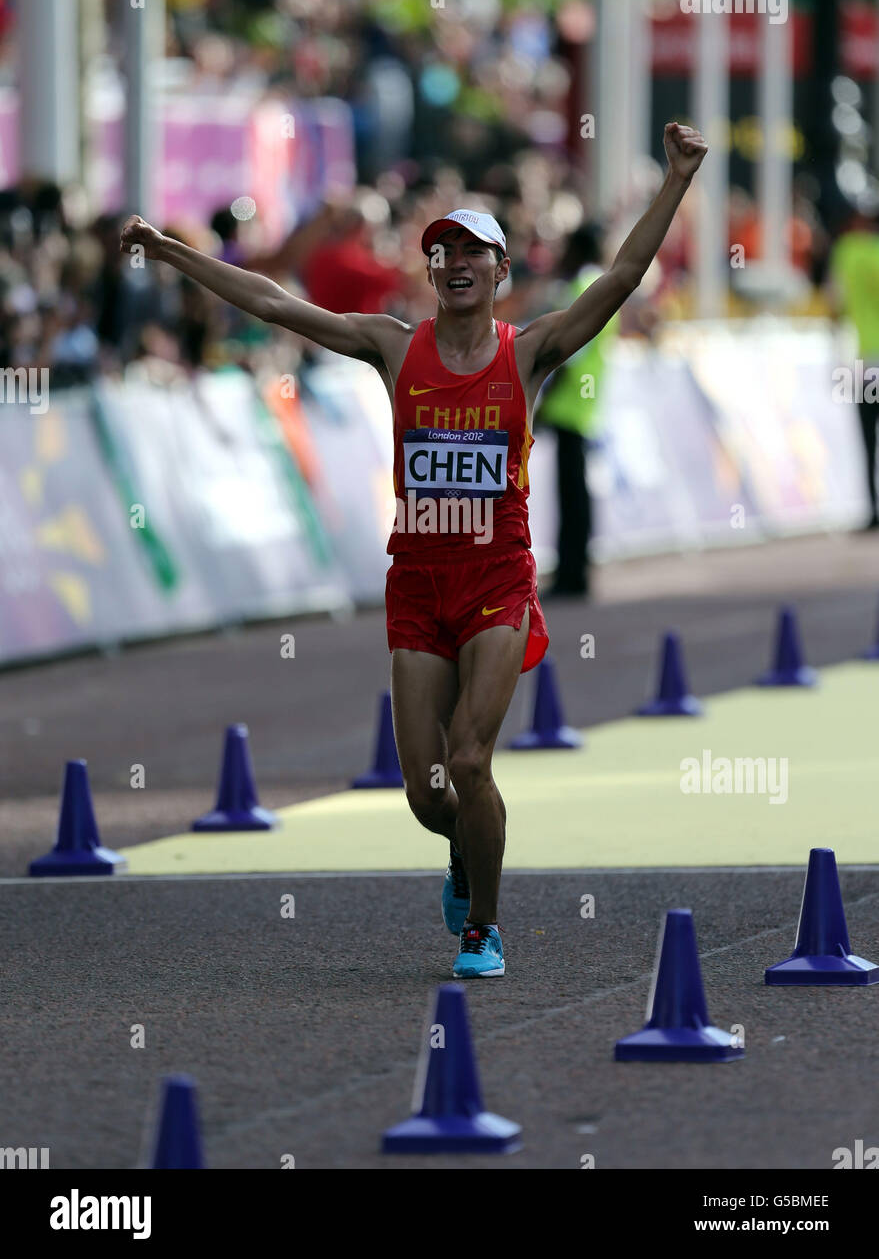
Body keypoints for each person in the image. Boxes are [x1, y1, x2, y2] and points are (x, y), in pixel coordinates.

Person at [120, 121, 707, 978]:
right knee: (429, 792)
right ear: (430, 271)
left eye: (474, 252)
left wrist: (677, 178)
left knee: (472, 759)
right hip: (416, 585)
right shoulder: (394, 348)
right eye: (443, 252)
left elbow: (619, 277)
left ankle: (484, 927)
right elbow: (277, 304)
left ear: (502, 271)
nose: (456, 263)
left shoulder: (530, 350)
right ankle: (463, 851)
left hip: (496, 579)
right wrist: (174, 253)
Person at [536, 222, 619, 598]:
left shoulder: (577, 289)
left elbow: (566, 352)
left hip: (569, 404)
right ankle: (577, 571)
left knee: (571, 495)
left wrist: (542, 396)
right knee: (577, 494)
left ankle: (572, 575)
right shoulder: (600, 286)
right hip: (588, 402)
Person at [828, 207, 879, 529]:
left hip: (863, 362)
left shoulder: (846, 250)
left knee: (867, 440)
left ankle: (873, 510)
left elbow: (835, 301)